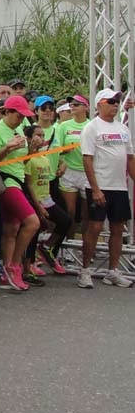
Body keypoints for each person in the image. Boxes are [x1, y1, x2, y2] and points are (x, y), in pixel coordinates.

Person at [78, 89, 134, 289]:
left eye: (117, 101)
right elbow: (87, 158)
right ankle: (85, 270)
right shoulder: (91, 128)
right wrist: (95, 189)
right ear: (99, 104)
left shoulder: (123, 129)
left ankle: (113, 271)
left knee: (118, 228)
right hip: (100, 185)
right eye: (111, 101)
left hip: (119, 186)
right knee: (94, 227)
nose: (115, 105)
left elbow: (129, 158)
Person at [0, 96, 41, 291]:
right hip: (5, 181)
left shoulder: (18, 128)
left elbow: (22, 161)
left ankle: (6, 270)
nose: (21, 120)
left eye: (23, 116)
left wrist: (32, 150)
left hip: (17, 179)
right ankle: (14, 265)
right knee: (33, 222)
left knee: (12, 228)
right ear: (8, 112)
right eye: (18, 116)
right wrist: (8, 147)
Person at [22, 124, 71, 281]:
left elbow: (46, 181)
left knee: (65, 221)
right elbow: (29, 184)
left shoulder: (44, 157)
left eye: (43, 135)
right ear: (28, 138)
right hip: (34, 200)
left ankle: (46, 247)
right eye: (38, 135)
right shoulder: (27, 159)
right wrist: (38, 206)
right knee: (34, 231)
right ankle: (27, 267)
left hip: (46, 198)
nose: (41, 139)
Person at [55, 94, 91, 247]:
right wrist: (65, 150)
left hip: (88, 172)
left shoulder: (91, 125)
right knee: (69, 211)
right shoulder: (64, 126)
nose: (73, 107)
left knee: (87, 214)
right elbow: (56, 150)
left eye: (77, 104)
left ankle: (86, 245)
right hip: (69, 171)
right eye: (71, 104)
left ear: (86, 107)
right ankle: (69, 245)